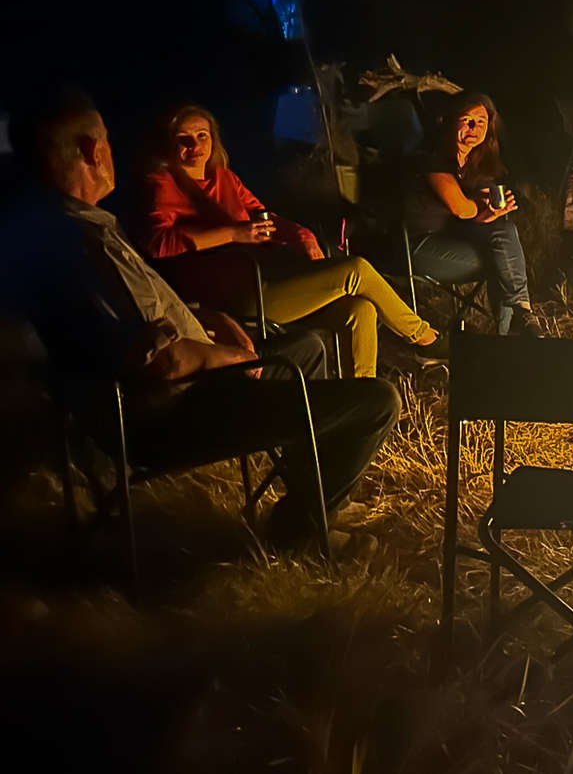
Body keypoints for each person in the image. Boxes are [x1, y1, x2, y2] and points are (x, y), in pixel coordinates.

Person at [2, 90, 399, 549]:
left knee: (309, 346)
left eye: (201, 137)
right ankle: (301, 529)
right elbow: (164, 360)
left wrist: (208, 317)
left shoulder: (61, 227)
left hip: (175, 387)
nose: (113, 151)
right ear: (93, 150)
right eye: (107, 141)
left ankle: (315, 493)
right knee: (378, 399)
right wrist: (229, 354)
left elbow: (143, 310)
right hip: (174, 411)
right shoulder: (88, 242)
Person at [135, 103, 445, 377]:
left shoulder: (224, 178)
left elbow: (262, 215)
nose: (195, 145)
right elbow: (158, 243)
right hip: (239, 295)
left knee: (360, 310)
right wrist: (232, 233)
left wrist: (301, 234)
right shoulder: (162, 184)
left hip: (271, 276)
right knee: (357, 270)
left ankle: (358, 400)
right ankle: (426, 339)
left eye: (202, 135)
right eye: (184, 139)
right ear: (168, 145)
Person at [406, 92, 535, 335]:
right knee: (502, 264)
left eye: (482, 122)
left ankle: (522, 312)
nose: (475, 128)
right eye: (467, 120)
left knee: (505, 232)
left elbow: (475, 212)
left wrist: (491, 212)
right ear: (449, 121)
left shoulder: (479, 162)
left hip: (453, 240)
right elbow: (461, 208)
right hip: (417, 245)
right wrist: (477, 208)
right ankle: (510, 336)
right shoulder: (431, 158)